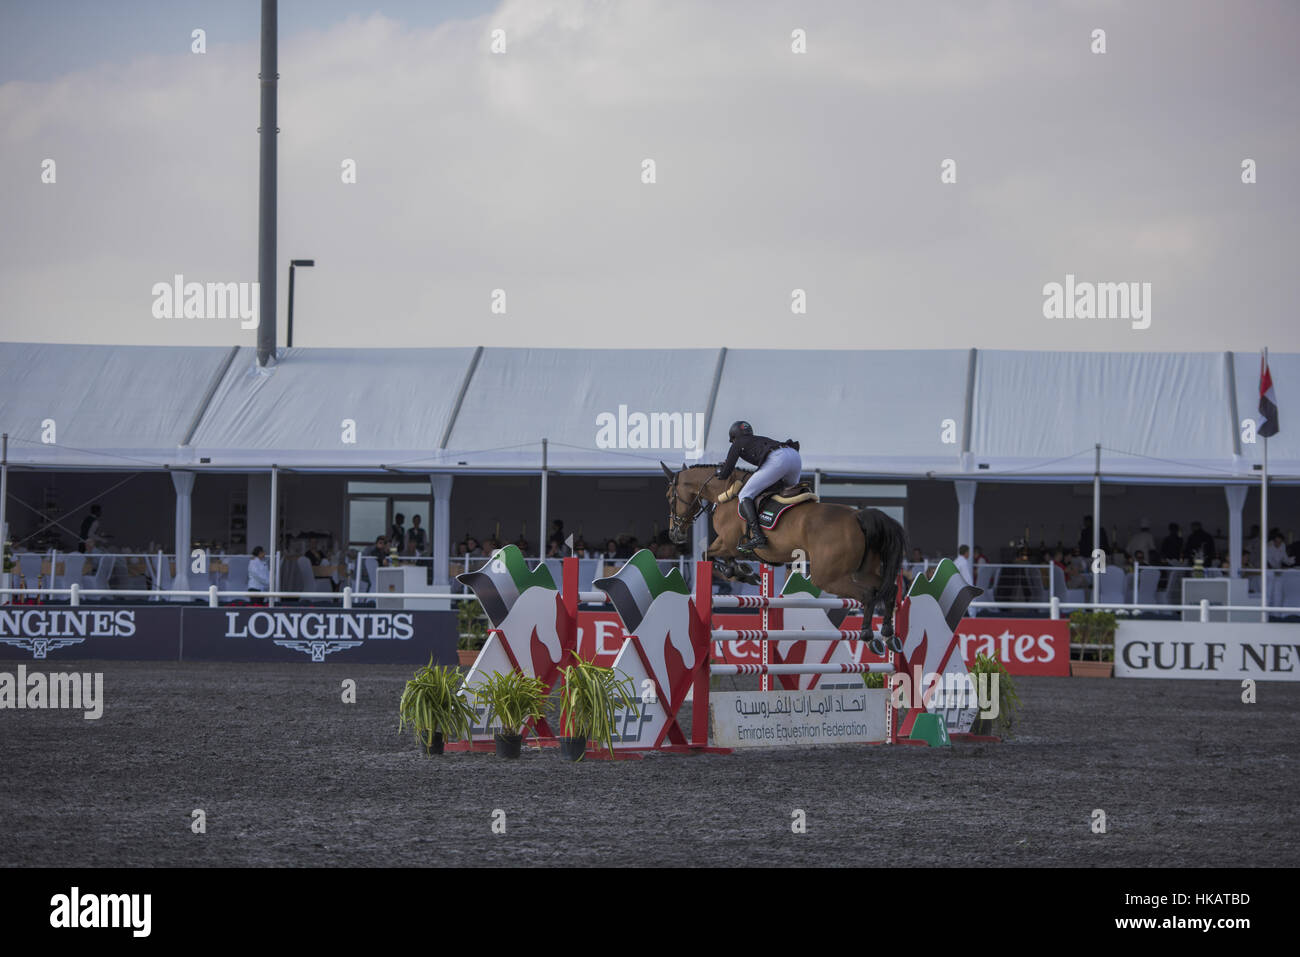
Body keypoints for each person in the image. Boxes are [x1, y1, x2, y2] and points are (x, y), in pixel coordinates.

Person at [714, 421, 802, 553]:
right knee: (790, 493)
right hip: (794, 456)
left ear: (734, 437)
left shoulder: (738, 442)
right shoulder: (758, 439)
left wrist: (719, 473)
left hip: (778, 459)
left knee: (745, 495)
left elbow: (726, 472)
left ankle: (758, 536)